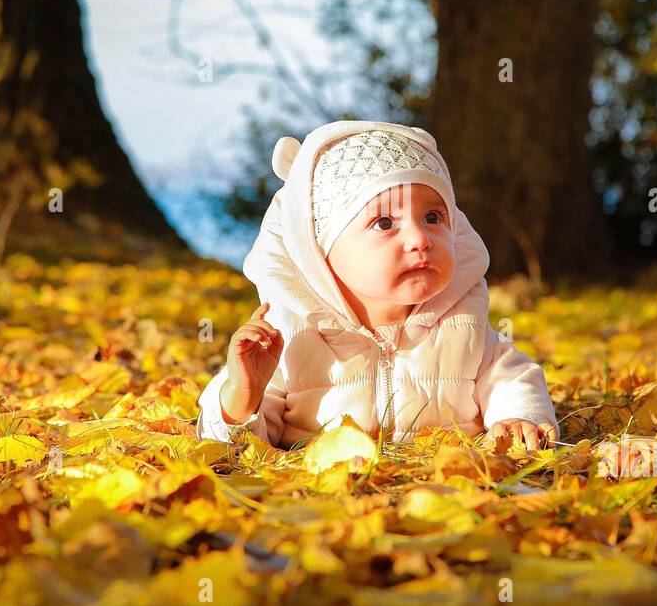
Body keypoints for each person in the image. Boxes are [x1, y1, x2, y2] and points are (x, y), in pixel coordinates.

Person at [195, 119, 558, 451]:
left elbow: (512, 377)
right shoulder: (286, 341)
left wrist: (517, 417)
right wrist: (243, 396)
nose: (420, 238)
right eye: (384, 223)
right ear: (318, 251)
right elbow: (236, 450)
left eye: (433, 217)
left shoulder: (463, 324)